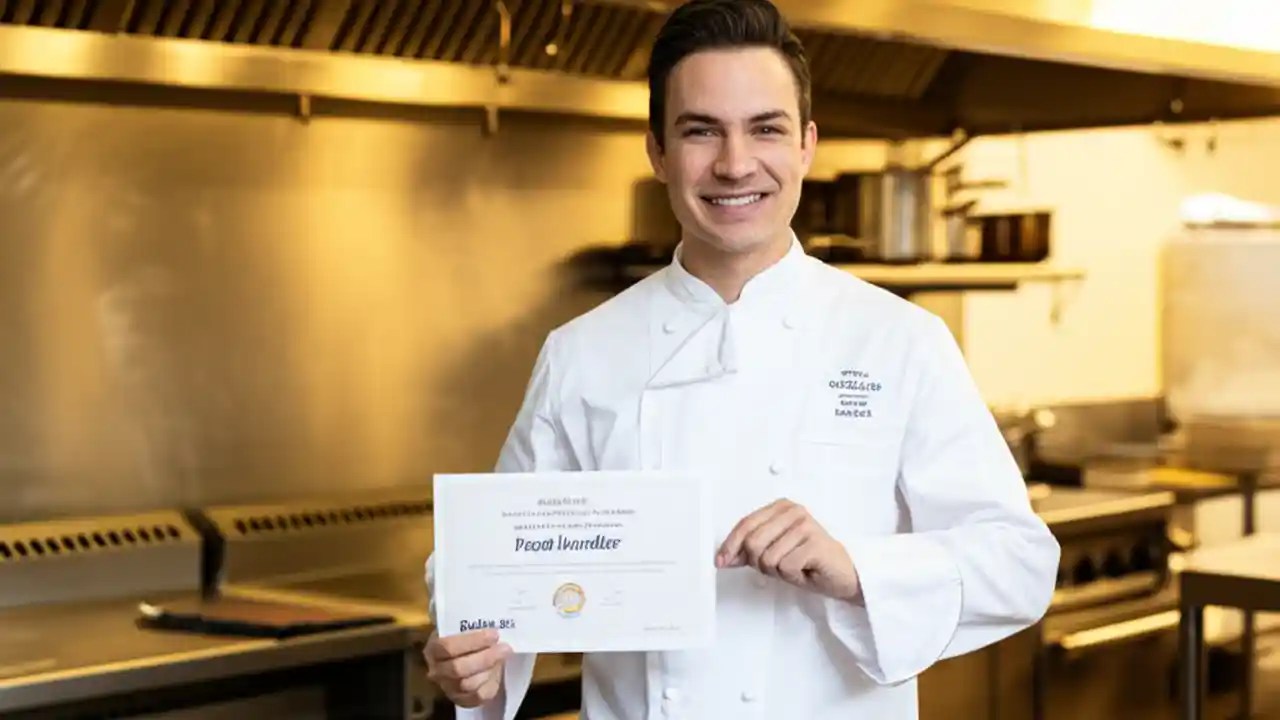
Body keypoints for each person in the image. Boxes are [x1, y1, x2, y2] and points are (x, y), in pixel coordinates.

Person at [423, 0, 1061, 717]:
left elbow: (1021, 563)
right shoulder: (581, 354)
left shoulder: (898, 341)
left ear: (806, 147)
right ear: (659, 153)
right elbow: (492, 565)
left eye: (766, 129)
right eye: (701, 132)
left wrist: (860, 570)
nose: (734, 164)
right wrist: (472, 658)